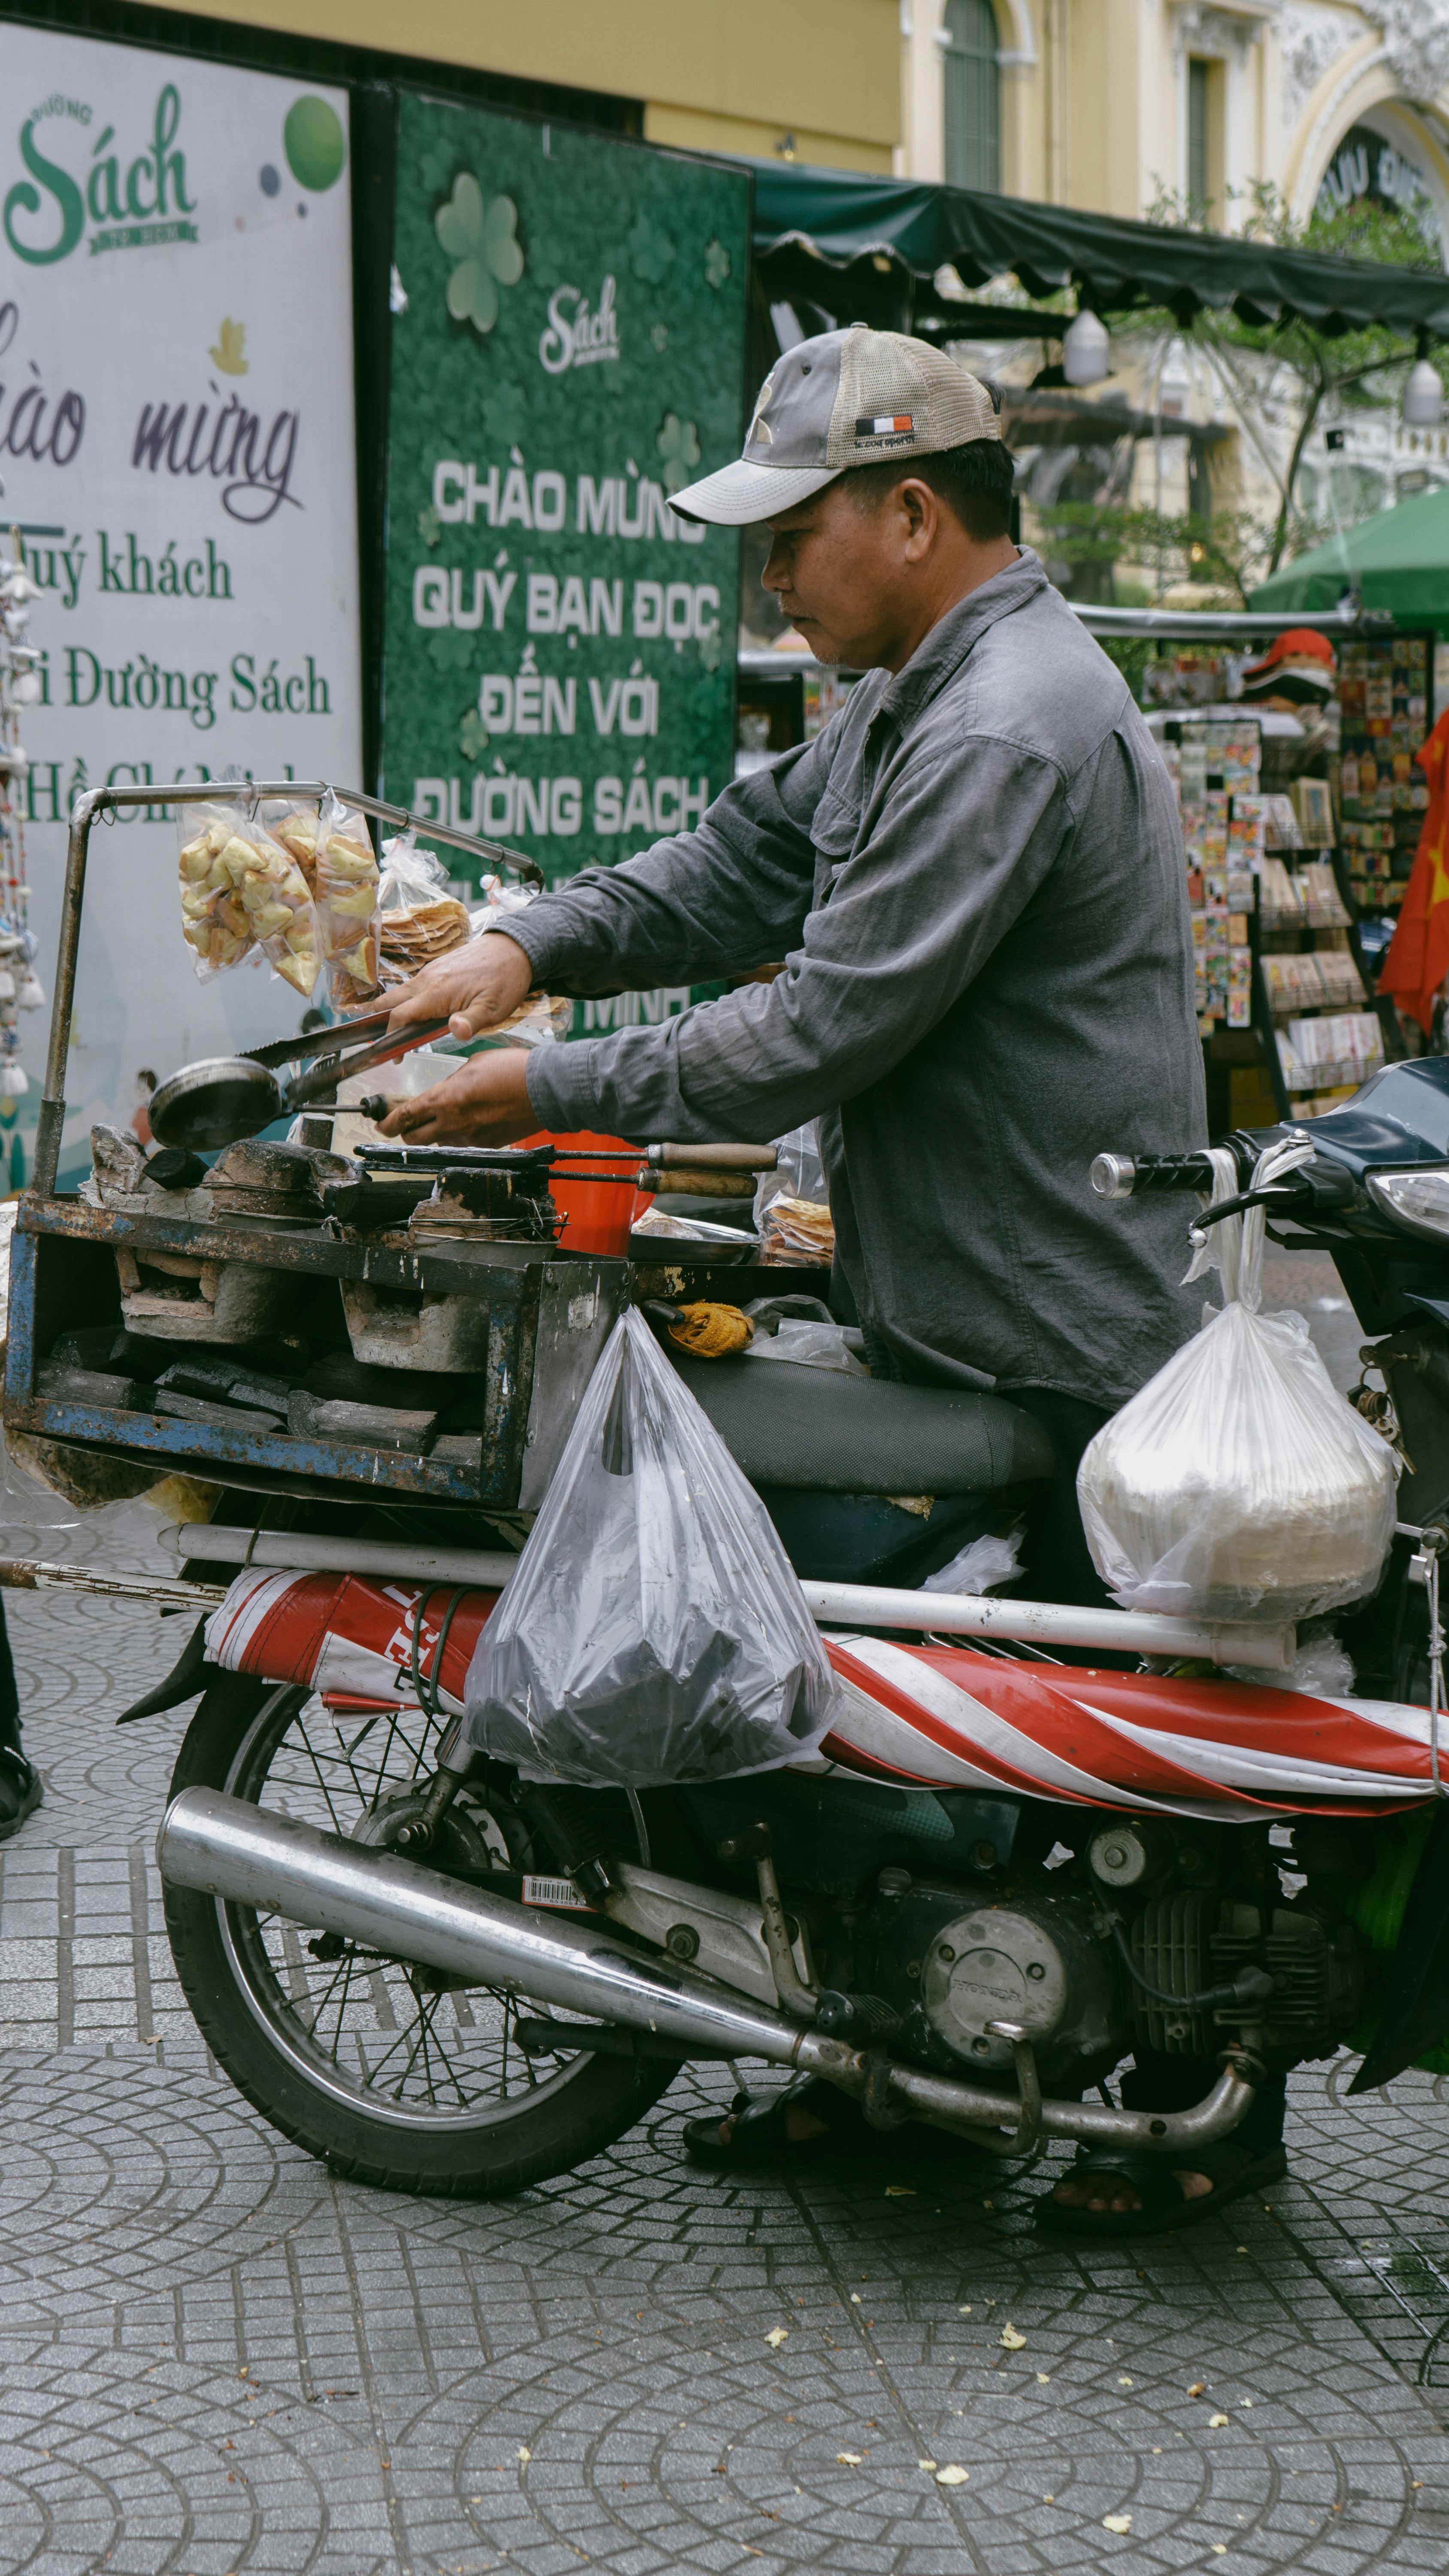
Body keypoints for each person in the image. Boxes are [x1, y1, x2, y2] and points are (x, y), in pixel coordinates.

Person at [381, 323, 1279, 2232]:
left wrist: (537, 1086)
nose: (766, 577)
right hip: (934, 1295)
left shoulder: (1009, 720)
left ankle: (1199, 2110)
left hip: (1046, 1331)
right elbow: (724, 870)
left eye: (789, 535)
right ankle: (885, 2071)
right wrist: (524, 949)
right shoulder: (896, 697)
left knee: (1058, 1741)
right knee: (863, 1675)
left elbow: (824, 1023)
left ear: (909, 510)